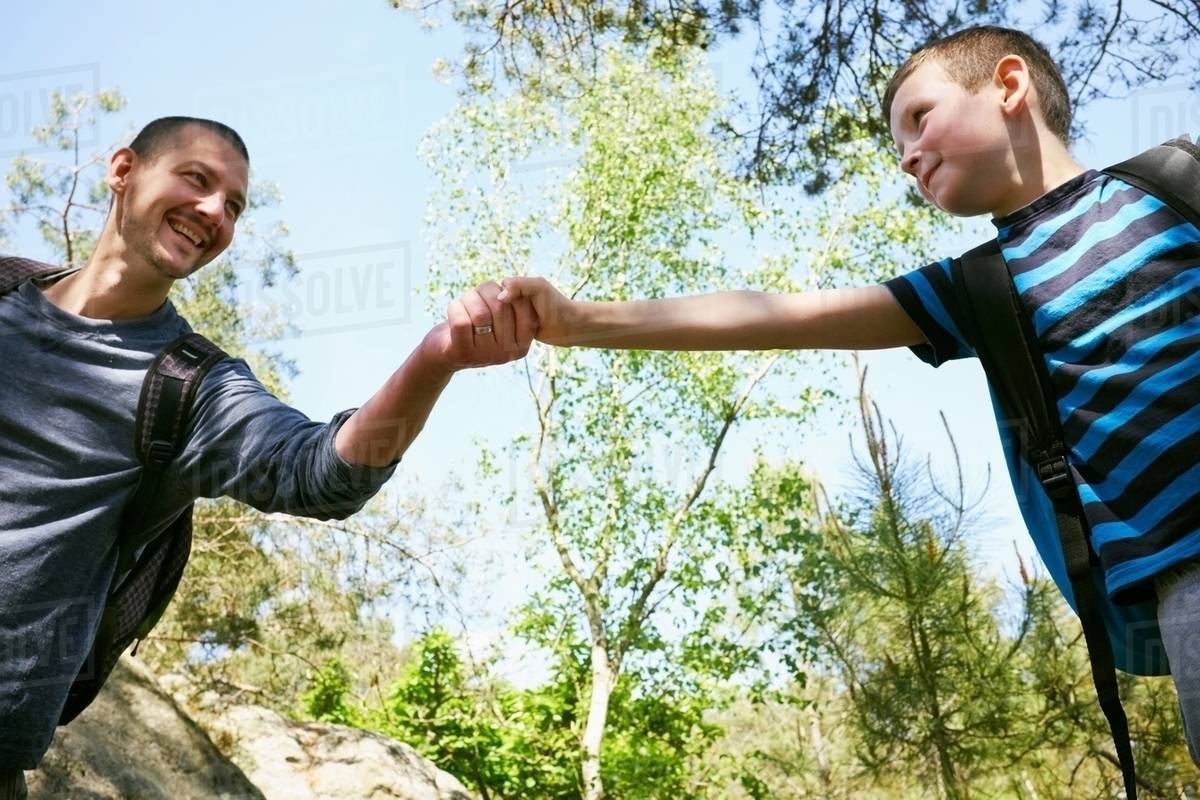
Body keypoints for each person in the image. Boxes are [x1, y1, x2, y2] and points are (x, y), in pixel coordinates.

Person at [498, 25, 1200, 765]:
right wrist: (578, 322)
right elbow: (771, 315)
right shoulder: (977, 290)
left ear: (1009, 85)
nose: (906, 157)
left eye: (920, 118)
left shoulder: (1176, 181)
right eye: (899, 142)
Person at [0, 116, 536, 798]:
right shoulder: (4, 291)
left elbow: (324, 475)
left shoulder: (189, 387)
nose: (214, 213)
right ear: (123, 170)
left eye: (234, 205)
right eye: (197, 179)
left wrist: (438, 358)